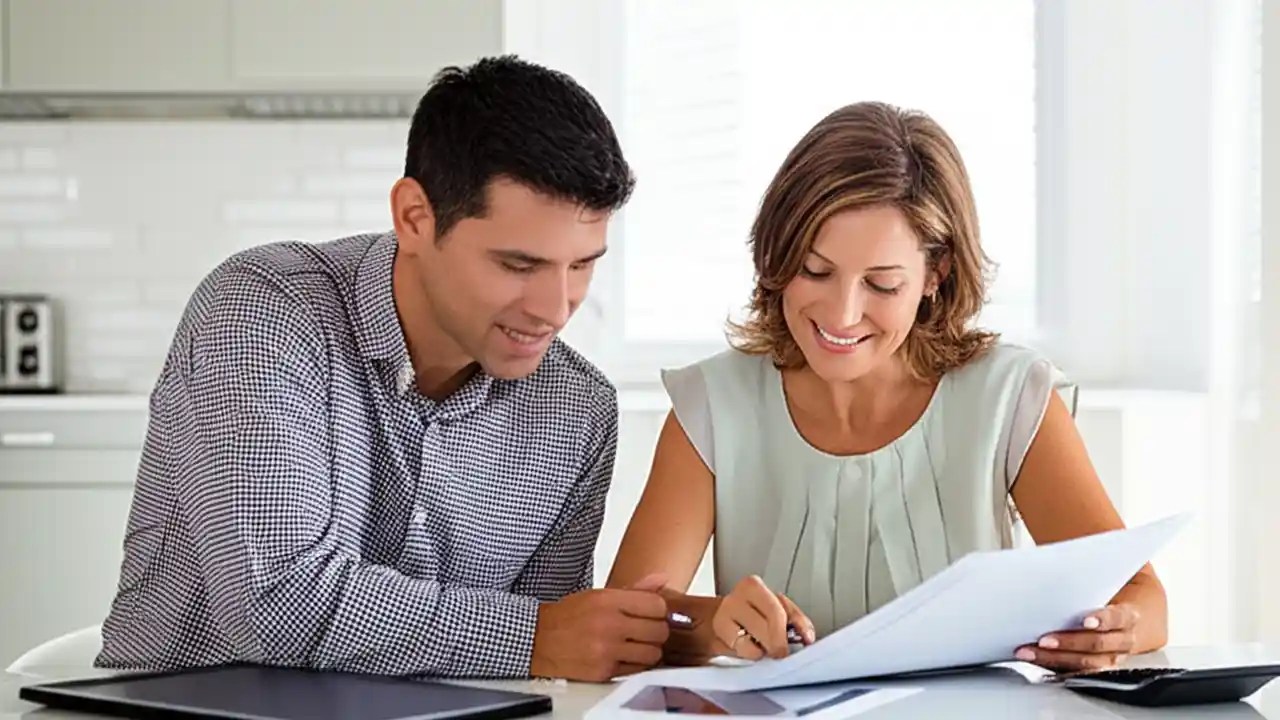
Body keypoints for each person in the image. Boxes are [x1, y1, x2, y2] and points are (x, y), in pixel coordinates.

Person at [96, 55, 672, 683]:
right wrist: (536, 636)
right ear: (415, 218)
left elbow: (556, 656)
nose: (556, 309)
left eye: (582, 265)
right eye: (518, 265)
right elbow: (274, 605)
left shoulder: (579, 407)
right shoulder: (262, 312)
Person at [607, 101, 1168, 673]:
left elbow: (1142, 597)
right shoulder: (712, 406)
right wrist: (713, 624)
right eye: (814, 271)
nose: (843, 313)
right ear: (775, 253)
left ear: (936, 274)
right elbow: (626, 622)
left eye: (882, 284)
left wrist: (1114, 632)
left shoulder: (1010, 398)